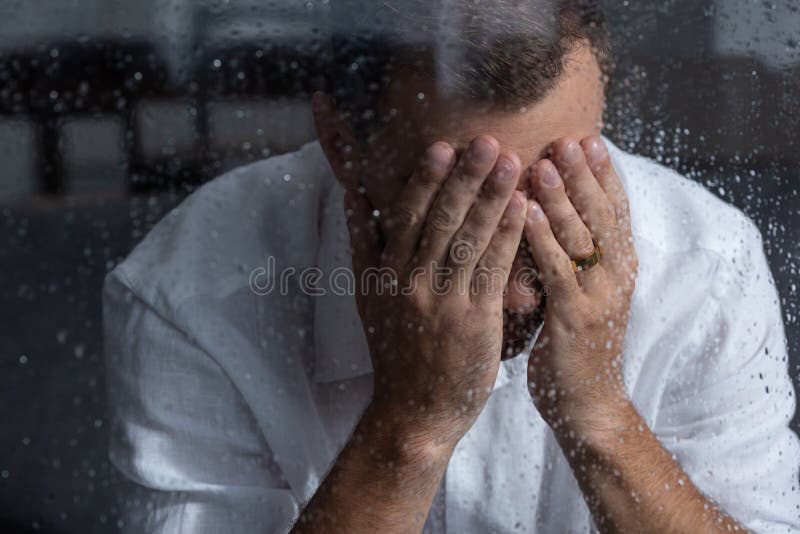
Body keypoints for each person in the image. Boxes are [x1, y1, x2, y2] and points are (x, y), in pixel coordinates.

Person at [103, 1, 800, 532]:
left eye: (560, 181)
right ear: (342, 145)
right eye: (461, 203)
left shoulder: (706, 262)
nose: (522, 280)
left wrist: (602, 418)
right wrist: (412, 425)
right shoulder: (191, 293)